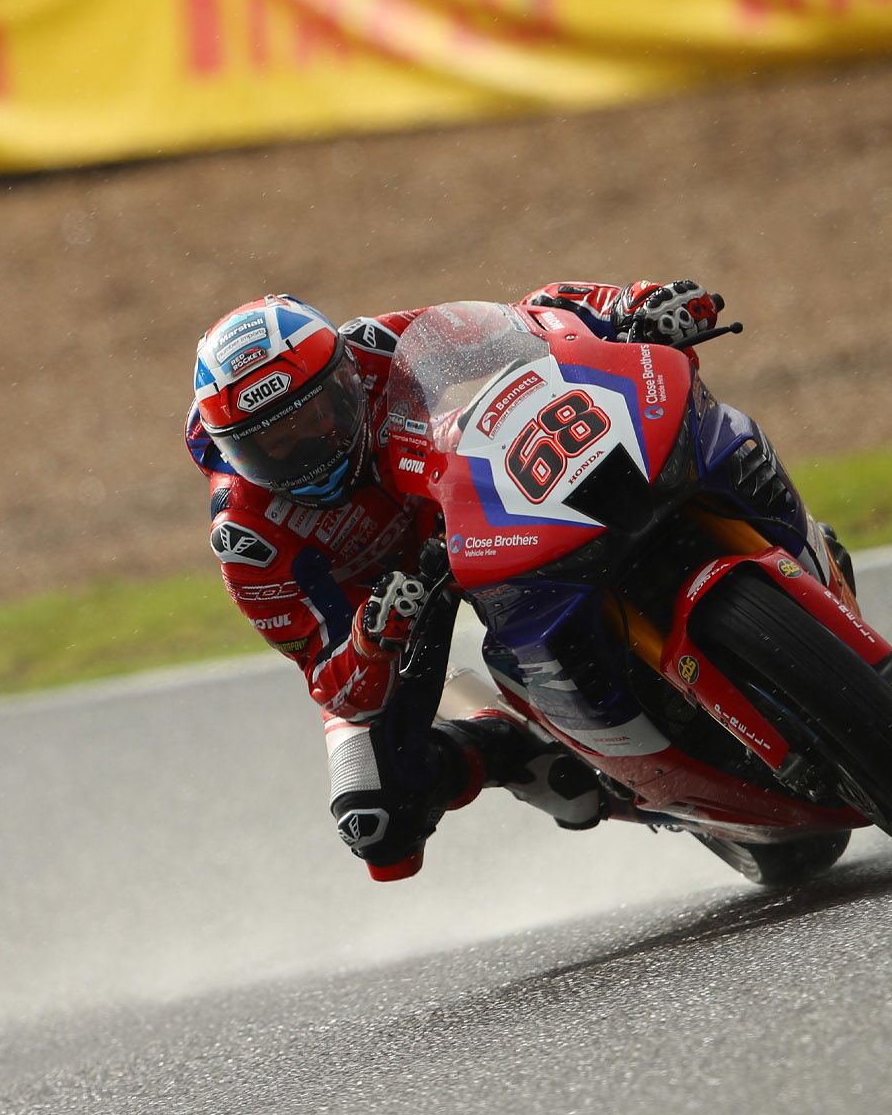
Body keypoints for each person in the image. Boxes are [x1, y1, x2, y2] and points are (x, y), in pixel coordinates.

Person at [185, 280, 731, 880]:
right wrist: (374, 637)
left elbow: (529, 318)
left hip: (459, 500)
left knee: (635, 443)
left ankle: (745, 522)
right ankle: (508, 746)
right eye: (272, 445)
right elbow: (329, 682)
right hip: (394, 606)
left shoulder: (374, 345)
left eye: (313, 417)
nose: (305, 451)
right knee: (376, 822)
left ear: (342, 374)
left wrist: (633, 305)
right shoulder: (244, 533)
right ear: (232, 451)